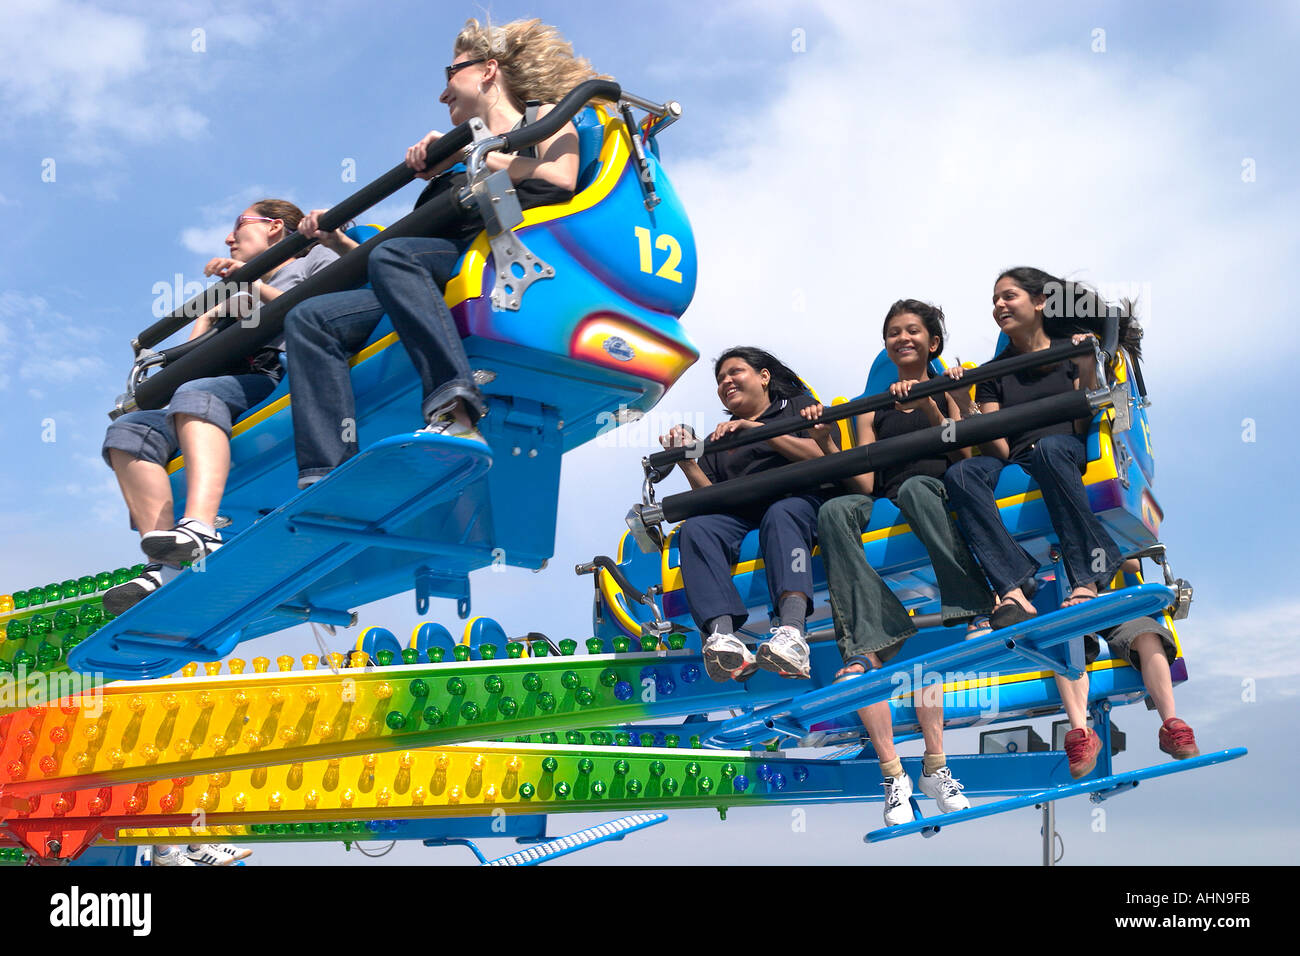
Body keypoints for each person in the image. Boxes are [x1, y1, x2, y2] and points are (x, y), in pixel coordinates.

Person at [284, 18, 598, 487]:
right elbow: (397, 250)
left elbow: (560, 177)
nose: (442, 92)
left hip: (497, 252)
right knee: (309, 319)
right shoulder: (458, 153)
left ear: (488, 70)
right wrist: (336, 242)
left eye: (450, 73)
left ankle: (456, 409)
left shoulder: (544, 115)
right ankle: (329, 473)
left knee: (397, 257)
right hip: (428, 266)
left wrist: (472, 152)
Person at [942, 266, 1142, 777]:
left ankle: (1087, 575)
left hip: (1065, 448)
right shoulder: (993, 370)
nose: (999, 306)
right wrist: (966, 404)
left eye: (1008, 296)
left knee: (1053, 448)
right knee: (964, 473)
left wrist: (1083, 361)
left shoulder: (1068, 346)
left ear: (1040, 302)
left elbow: (1084, 418)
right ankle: (1015, 584)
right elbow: (998, 445)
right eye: (994, 300)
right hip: (1019, 459)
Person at [801, 299, 992, 824]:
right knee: (838, 508)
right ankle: (870, 640)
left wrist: (933, 403)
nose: (902, 338)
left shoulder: (949, 384)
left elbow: (966, 462)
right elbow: (862, 480)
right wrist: (824, 438)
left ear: (932, 342)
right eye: (893, 332)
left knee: (916, 488)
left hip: (931, 486)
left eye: (913, 331)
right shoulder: (870, 405)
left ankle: (974, 608)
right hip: (883, 496)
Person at [101, 199, 338, 615]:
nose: (229, 237)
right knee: (128, 431)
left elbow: (321, 311)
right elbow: (196, 357)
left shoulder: (311, 258)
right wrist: (211, 315)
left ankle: (202, 531)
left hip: (275, 375)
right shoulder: (234, 288)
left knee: (197, 395)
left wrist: (250, 286)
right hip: (217, 380)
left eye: (239, 225)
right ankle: (165, 563)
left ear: (274, 228)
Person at [658, 347, 833, 681]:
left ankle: (792, 632)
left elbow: (819, 455)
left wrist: (756, 430)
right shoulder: (719, 439)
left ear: (764, 377)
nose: (726, 382)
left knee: (781, 515)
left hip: (795, 501)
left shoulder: (795, 408)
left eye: (735, 372)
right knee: (696, 529)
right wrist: (686, 461)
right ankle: (723, 636)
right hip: (741, 516)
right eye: (721, 379)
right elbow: (709, 498)